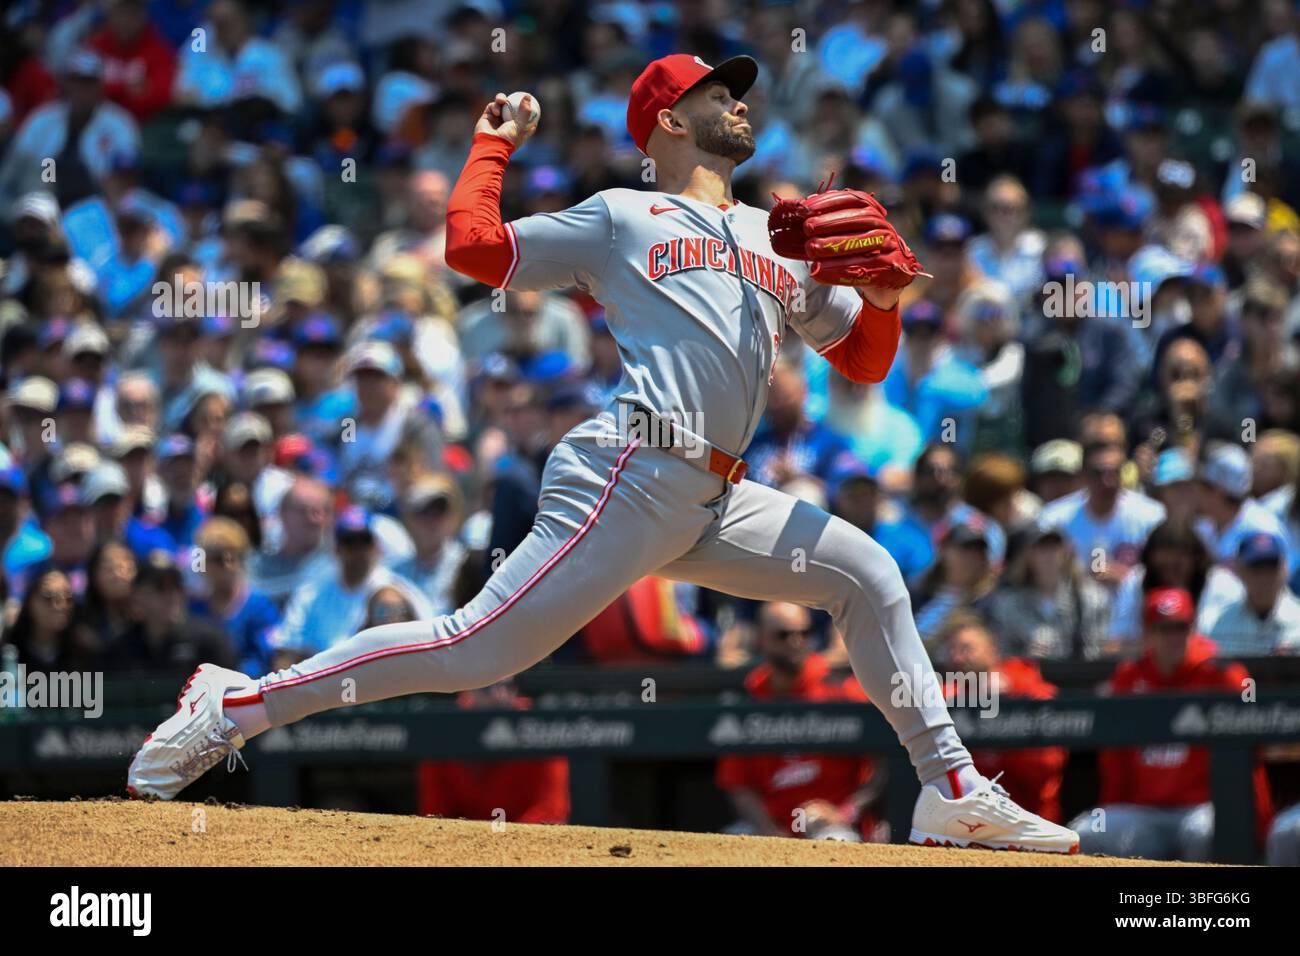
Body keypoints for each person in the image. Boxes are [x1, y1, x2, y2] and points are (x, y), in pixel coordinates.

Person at [128, 53, 1079, 853]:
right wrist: (494, 145)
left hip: (713, 495)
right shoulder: (624, 214)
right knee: (472, 650)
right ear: (668, 119)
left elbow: (865, 365)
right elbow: (475, 248)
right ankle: (237, 703)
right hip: (631, 468)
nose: (737, 101)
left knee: (868, 575)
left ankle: (950, 787)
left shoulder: (776, 235)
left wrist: (884, 296)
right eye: (716, 92)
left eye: (737, 90)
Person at [1069, 588, 1273, 861]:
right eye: (1163, 629)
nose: (1173, 637)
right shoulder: (1128, 679)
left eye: (1181, 627)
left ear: (1193, 628)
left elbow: (1252, 757)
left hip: (1202, 808)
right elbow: (1113, 761)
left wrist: (1257, 819)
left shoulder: (1222, 675)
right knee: (1087, 831)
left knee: (1204, 831)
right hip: (1145, 812)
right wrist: (1113, 805)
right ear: (1148, 633)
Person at [715, 602, 879, 841]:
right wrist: (768, 830)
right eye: (783, 635)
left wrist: (848, 811)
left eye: (804, 633)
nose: (795, 641)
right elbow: (738, 783)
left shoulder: (841, 691)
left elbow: (883, 764)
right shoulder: (752, 697)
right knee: (727, 843)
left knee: (835, 843)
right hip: (773, 825)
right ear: (761, 638)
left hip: (830, 826)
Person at [938, 614, 1068, 821]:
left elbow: (1047, 768)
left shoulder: (1025, 686)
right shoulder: (946, 697)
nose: (957, 658)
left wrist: (1002, 715)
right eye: (951, 651)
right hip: (965, 818)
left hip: (1028, 816)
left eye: (966, 649)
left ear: (992, 650)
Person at [984, 519, 1112, 660]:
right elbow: (1002, 655)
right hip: (1030, 677)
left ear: (1066, 551)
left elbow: (1101, 648)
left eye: (1054, 547)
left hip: (1081, 677)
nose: (1049, 555)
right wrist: (1026, 658)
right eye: (1042, 548)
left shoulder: (1093, 599)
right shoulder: (1008, 605)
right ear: (1028, 555)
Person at [1202, 532, 1300, 656]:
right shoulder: (1217, 625)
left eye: (1271, 568)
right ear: (1239, 570)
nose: (1265, 578)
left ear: (1285, 570)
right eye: (1256, 568)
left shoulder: (1298, 620)